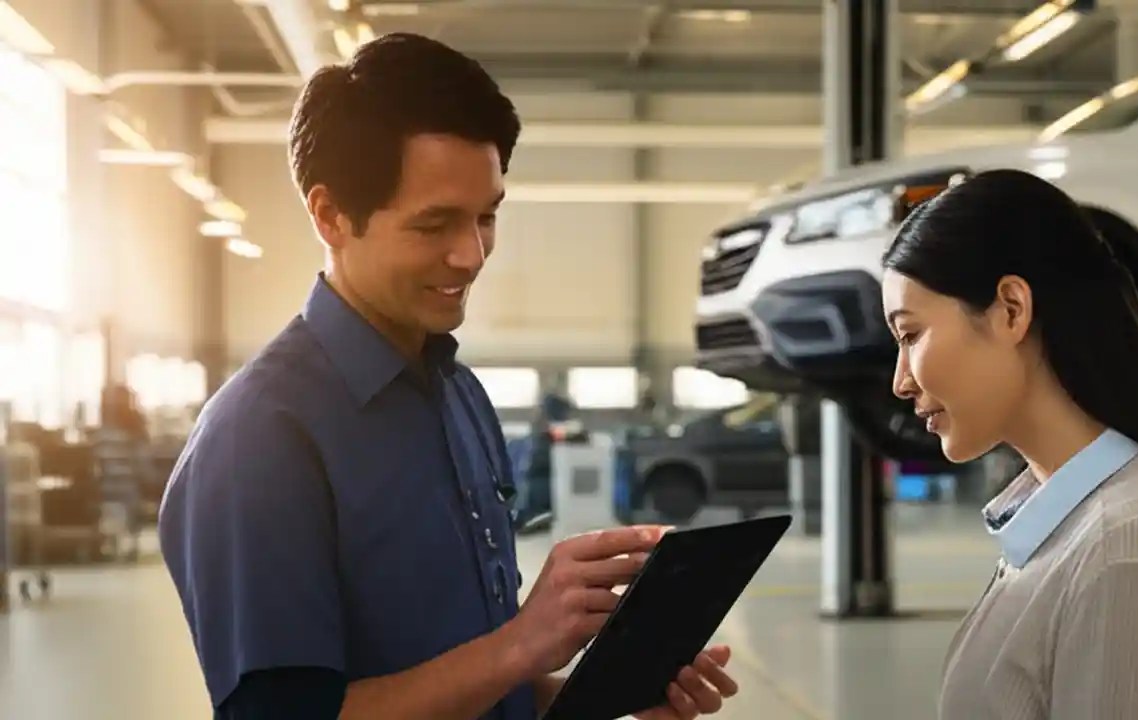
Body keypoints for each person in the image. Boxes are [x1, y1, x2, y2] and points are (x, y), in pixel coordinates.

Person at [158, 33, 737, 720]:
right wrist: (521, 645)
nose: (470, 254)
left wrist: (604, 696)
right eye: (435, 224)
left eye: (487, 215)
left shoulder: (458, 396)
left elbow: (481, 691)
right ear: (331, 215)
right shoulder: (259, 437)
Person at [880, 168, 1138, 719]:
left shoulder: (1133, 557)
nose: (901, 380)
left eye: (911, 334)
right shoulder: (1075, 529)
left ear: (1011, 309)